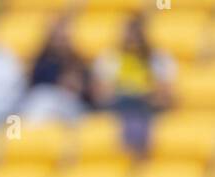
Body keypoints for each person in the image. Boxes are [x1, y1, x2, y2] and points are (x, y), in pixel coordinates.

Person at [91, 14, 175, 157]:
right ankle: (134, 146)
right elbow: (101, 93)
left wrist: (147, 93)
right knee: (128, 103)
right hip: (120, 103)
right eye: (129, 36)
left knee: (139, 106)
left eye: (136, 37)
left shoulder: (157, 59)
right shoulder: (110, 58)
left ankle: (137, 145)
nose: (132, 41)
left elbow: (165, 92)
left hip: (147, 104)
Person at [19, 16, 90, 123]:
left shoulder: (77, 60)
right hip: (44, 102)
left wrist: (76, 86)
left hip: (71, 105)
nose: (60, 40)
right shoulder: (42, 59)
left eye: (62, 37)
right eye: (56, 36)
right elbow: (33, 86)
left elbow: (87, 91)